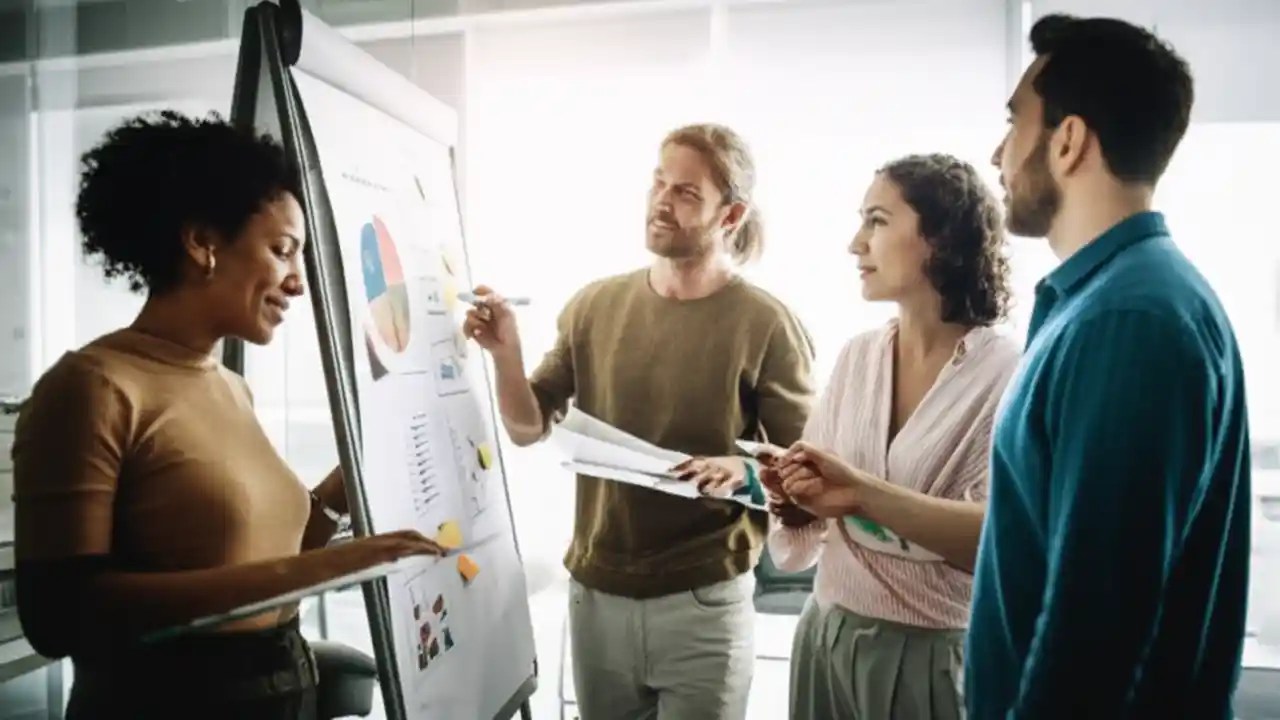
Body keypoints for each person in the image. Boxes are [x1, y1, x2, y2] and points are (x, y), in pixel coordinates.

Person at [12, 111, 443, 720]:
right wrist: (325, 565)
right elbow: (59, 615)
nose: (298, 282)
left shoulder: (231, 386)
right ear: (201, 244)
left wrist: (337, 494)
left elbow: (257, 556)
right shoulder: (91, 388)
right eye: (282, 250)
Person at [464, 123, 815, 719]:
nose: (661, 200)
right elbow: (527, 428)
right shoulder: (594, 305)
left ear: (729, 216)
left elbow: (808, 475)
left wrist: (740, 468)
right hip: (598, 594)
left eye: (685, 192)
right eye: (659, 181)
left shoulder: (767, 325)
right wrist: (505, 355)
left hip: (703, 599)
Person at [966, 14, 1251, 719]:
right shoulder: (1108, 299)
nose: (999, 153)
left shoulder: (1130, 321)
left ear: (1068, 141)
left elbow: (1092, 631)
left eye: (1015, 123)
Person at [760, 154, 1019, 719]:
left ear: (940, 238)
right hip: (825, 634)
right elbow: (819, 521)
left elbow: (1003, 539)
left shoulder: (1008, 374)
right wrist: (794, 500)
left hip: (935, 656)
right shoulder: (857, 356)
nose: (856, 243)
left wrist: (861, 495)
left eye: (877, 221)